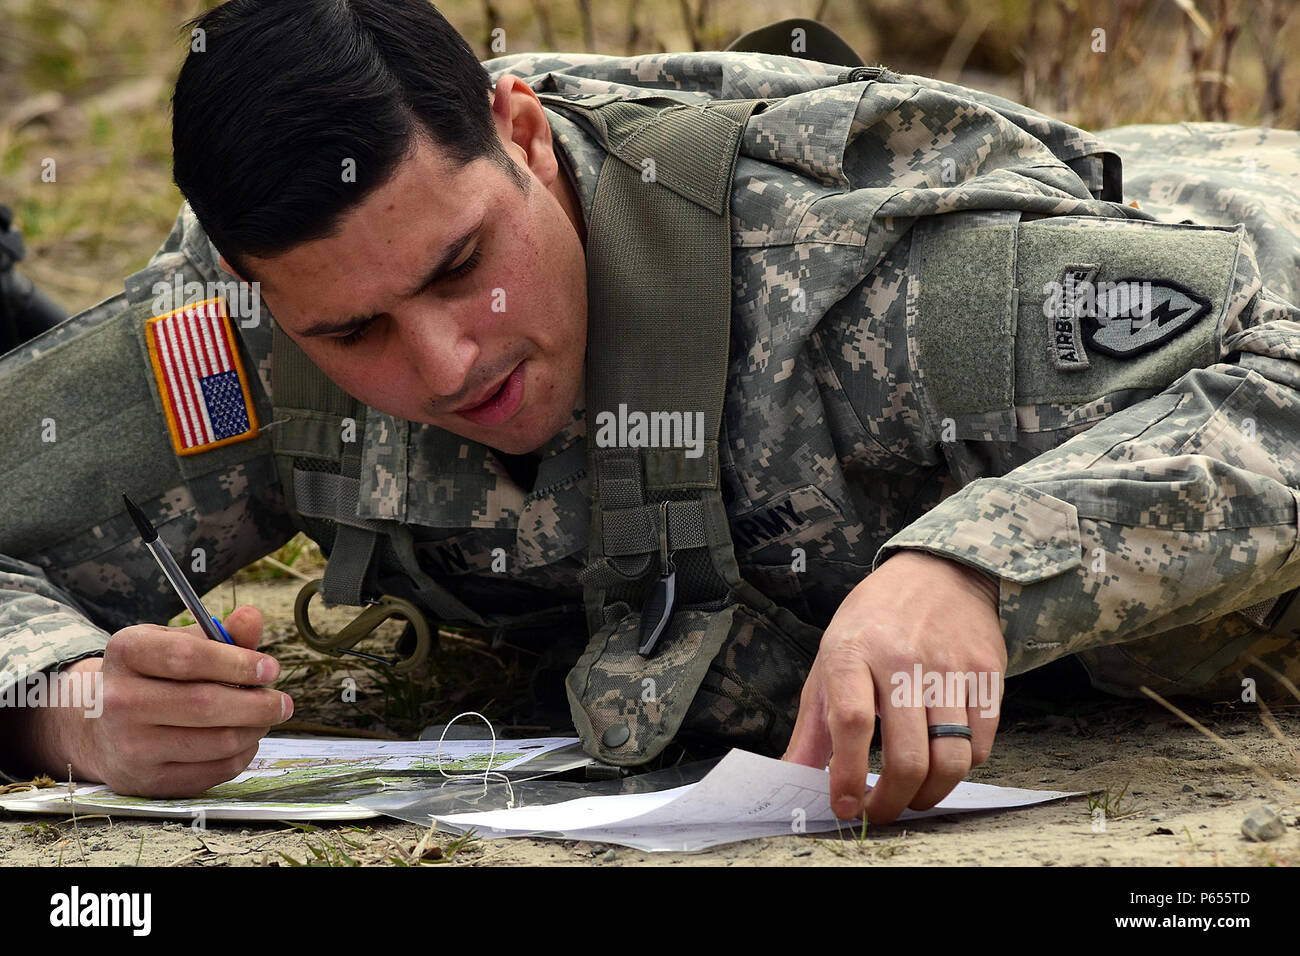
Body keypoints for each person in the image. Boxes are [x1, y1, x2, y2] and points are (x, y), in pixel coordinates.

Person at [1, 0, 1298, 823]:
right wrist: (64, 705)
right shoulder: (237, 327)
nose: (446, 361)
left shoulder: (870, 275)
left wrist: (972, 573)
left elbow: (1281, 380)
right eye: (354, 332)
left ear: (520, 132)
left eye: (461, 265)